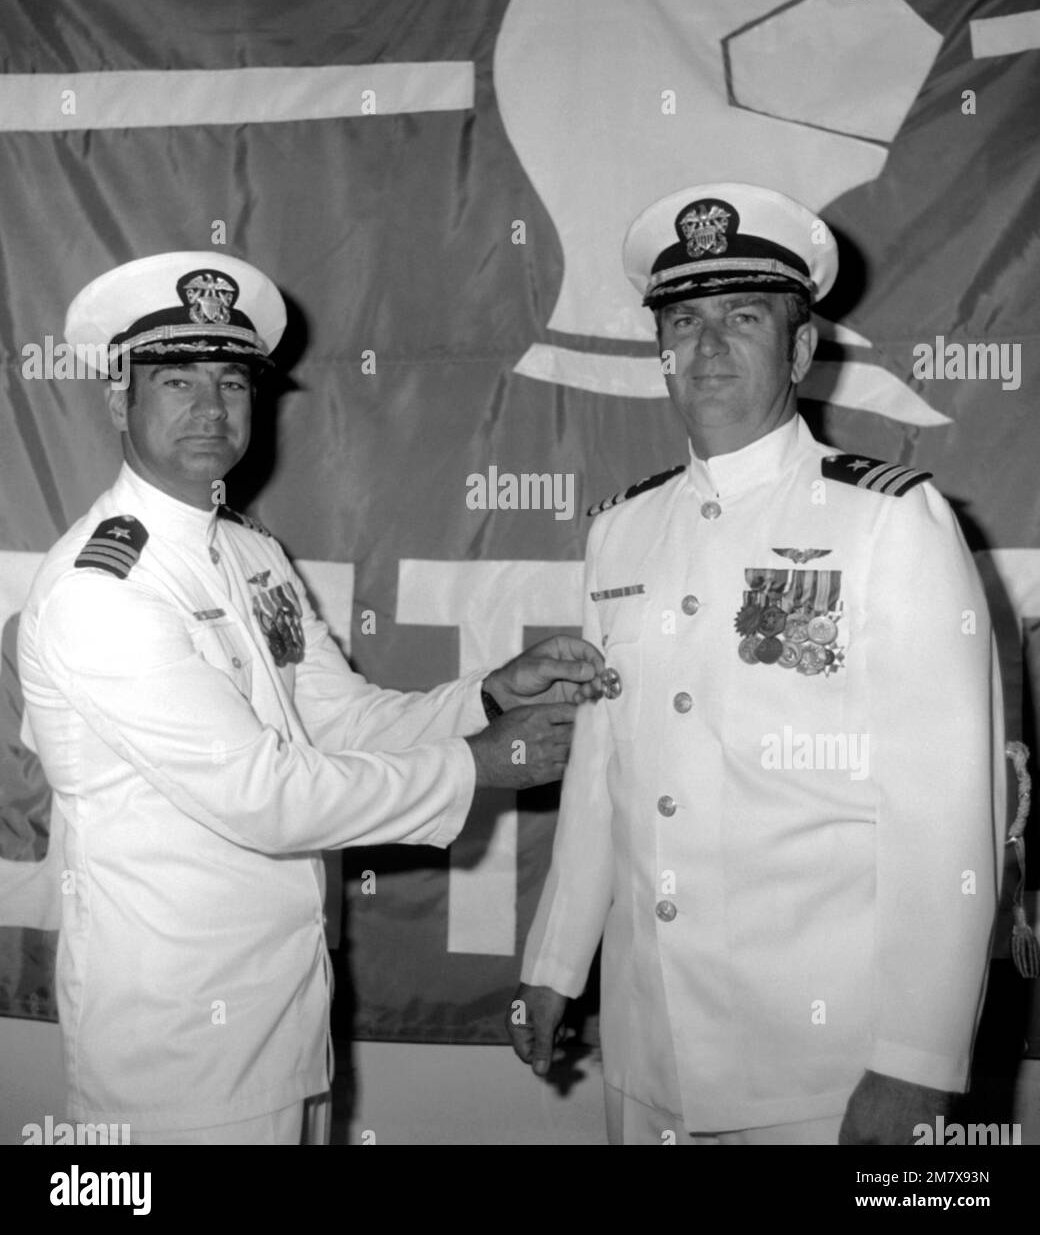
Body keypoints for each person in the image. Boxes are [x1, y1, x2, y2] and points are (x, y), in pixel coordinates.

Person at [18, 251, 602, 1145]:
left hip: (290, 1018)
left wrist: (486, 698)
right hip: (174, 1053)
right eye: (177, 380)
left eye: (231, 381)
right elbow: (266, 797)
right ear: (117, 400)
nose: (211, 409)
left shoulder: (250, 554)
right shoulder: (105, 586)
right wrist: (480, 764)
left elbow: (341, 720)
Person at [508, 183, 1007, 1145]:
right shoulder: (621, 531)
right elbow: (604, 768)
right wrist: (557, 962)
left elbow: (946, 813)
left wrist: (919, 1062)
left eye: (744, 318)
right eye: (684, 321)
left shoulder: (889, 521)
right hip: (649, 1048)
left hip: (824, 1070)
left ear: (803, 348)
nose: (707, 347)